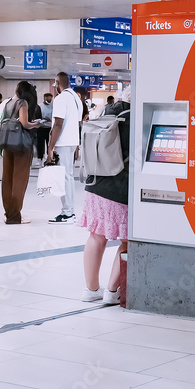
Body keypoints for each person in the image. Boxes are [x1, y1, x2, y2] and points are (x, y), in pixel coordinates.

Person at [78, 88, 131, 303]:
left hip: (96, 183)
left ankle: (91, 290)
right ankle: (111, 291)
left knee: (95, 236)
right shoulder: (135, 118)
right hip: (121, 186)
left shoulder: (106, 112)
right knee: (129, 242)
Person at [1, 81, 42, 224]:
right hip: (21, 145)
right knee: (20, 180)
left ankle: (9, 213)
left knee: (7, 179)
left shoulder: (8, 102)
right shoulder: (22, 103)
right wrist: (37, 123)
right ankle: (15, 216)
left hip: (7, 143)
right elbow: (24, 123)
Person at [46, 72, 83, 223]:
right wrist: (77, 146)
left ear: (57, 83)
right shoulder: (76, 99)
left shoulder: (61, 98)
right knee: (68, 177)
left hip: (62, 143)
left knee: (64, 178)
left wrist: (50, 147)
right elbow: (78, 124)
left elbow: (58, 124)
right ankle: (69, 211)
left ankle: (67, 213)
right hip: (72, 142)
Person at [34, 92, 53, 161]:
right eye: (48, 98)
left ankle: (49, 157)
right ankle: (40, 157)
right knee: (40, 143)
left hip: (49, 128)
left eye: (50, 98)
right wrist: (43, 119)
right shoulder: (40, 106)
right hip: (41, 127)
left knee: (49, 143)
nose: (49, 100)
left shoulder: (53, 106)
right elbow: (37, 117)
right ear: (44, 98)